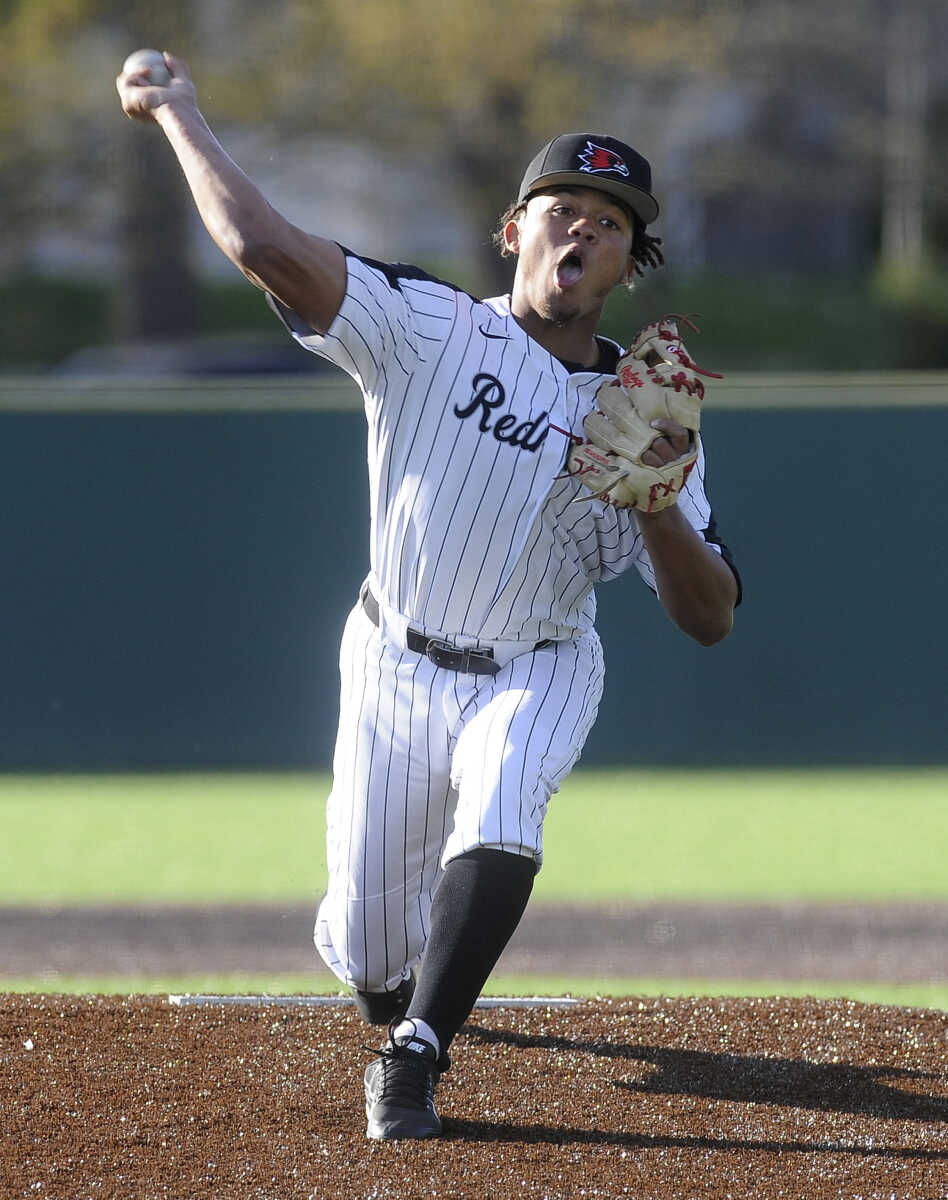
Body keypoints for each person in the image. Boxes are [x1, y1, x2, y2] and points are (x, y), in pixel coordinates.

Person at [117, 53, 741, 1142]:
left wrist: (653, 499)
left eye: (609, 224)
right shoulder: (428, 328)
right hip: (392, 661)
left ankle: (415, 1056)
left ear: (627, 266)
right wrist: (178, 112)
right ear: (514, 231)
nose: (581, 233)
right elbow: (265, 248)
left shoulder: (651, 416)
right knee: (367, 959)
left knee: (504, 806)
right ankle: (394, 1000)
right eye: (562, 210)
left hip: (538, 661)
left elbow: (710, 615)